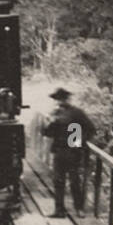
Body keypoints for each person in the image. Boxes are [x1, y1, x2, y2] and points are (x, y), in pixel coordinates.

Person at [43, 88, 97, 218]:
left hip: (73, 152)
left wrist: (80, 141)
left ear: (67, 99)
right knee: (58, 181)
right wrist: (51, 122)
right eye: (58, 99)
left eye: (62, 99)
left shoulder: (77, 113)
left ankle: (79, 208)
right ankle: (59, 210)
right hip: (59, 151)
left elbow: (91, 129)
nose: (60, 102)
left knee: (74, 181)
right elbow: (47, 133)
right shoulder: (55, 114)